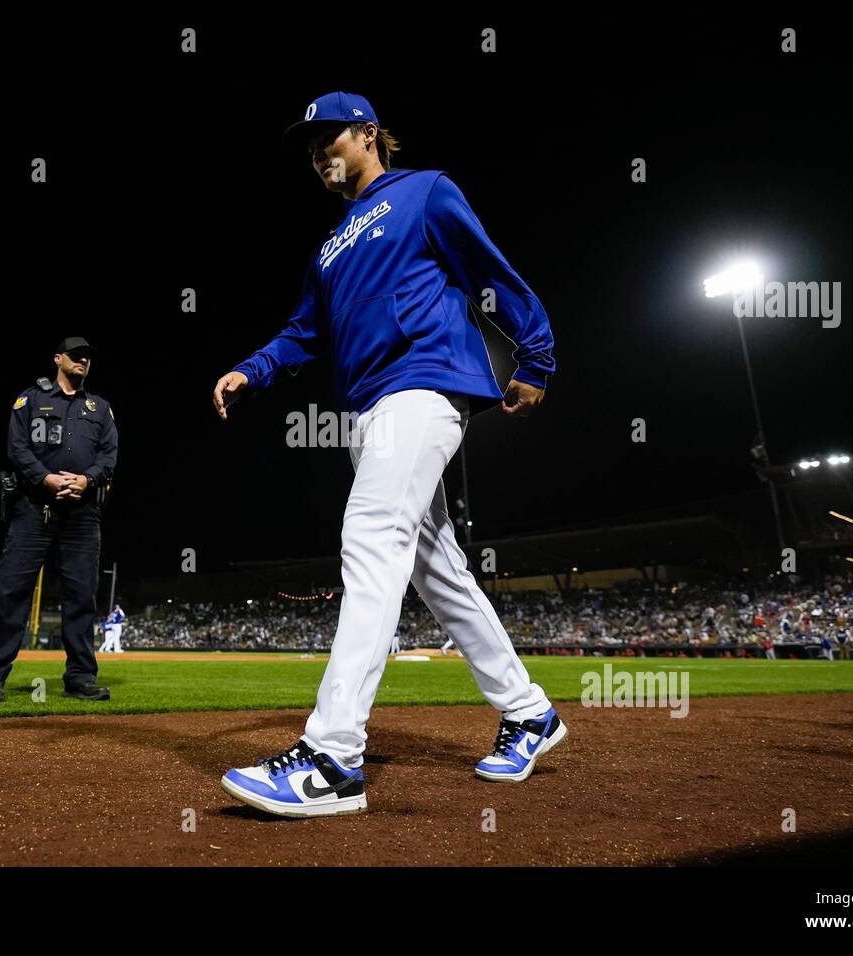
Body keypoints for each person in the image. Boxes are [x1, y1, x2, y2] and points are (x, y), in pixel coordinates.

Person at [212, 92, 565, 818]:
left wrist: (536, 356)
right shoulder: (329, 246)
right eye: (307, 146)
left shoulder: (424, 191)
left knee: (372, 537)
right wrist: (254, 368)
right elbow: (304, 332)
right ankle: (529, 712)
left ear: (369, 135)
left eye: (327, 137)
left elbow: (487, 272)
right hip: (368, 410)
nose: (317, 153)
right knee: (438, 569)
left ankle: (334, 758)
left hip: (425, 384)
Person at [0, 337, 118, 702]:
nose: (84, 360)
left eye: (88, 357)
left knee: (81, 597)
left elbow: (109, 454)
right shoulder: (30, 400)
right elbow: (16, 448)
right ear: (58, 359)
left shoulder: (99, 408)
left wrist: (86, 480)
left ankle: (80, 677)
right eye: (76, 355)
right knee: (10, 591)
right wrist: (46, 478)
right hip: (33, 509)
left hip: (83, 515)